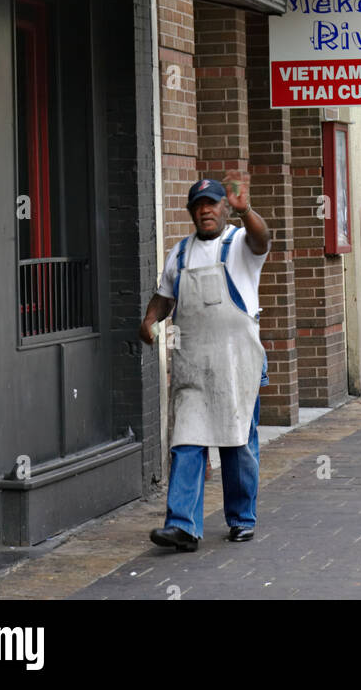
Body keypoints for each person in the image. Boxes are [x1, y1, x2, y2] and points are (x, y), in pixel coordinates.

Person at [140, 177, 270, 553]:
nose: (205, 210)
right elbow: (164, 297)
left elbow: (263, 239)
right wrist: (150, 321)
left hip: (236, 361)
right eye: (198, 205)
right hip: (193, 364)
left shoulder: (242, 245)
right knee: (186, 441)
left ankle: (242, 519)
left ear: (225, 209)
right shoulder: (179, 253)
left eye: (212, 204)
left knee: (237, 443)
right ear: (192, 212)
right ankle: (182, 525)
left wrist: (247, 211)